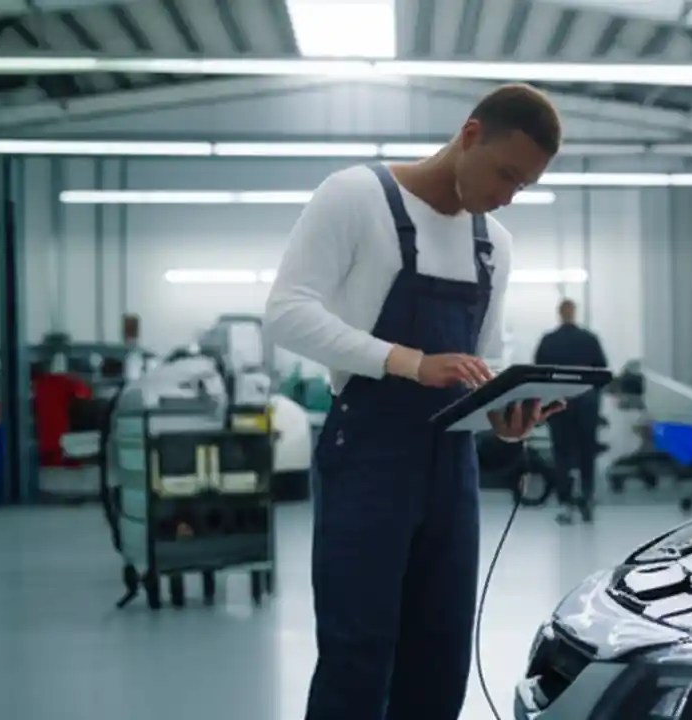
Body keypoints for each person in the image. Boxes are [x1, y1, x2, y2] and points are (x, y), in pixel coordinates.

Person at [263, 83, 565, 720]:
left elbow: (483, 356)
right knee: (358, 648)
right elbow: (287, 315)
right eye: (506, 174)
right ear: (470, 134)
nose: (508, 195)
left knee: (441, 650)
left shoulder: (495, 244)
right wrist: (407, 362)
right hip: (368, 452)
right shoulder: (356, 197)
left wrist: (504, 419)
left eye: (523, 187)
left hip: (452, 464)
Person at [533, 298, 609, 524]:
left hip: (559, 402)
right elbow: (602, 371)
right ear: (574, 313)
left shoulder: (548, 341)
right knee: (587, 451)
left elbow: (538, 374)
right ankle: (586, 498)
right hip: (586, 401)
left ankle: (566, 503)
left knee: (562, 453)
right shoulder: (589, 339)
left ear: (559, 313)